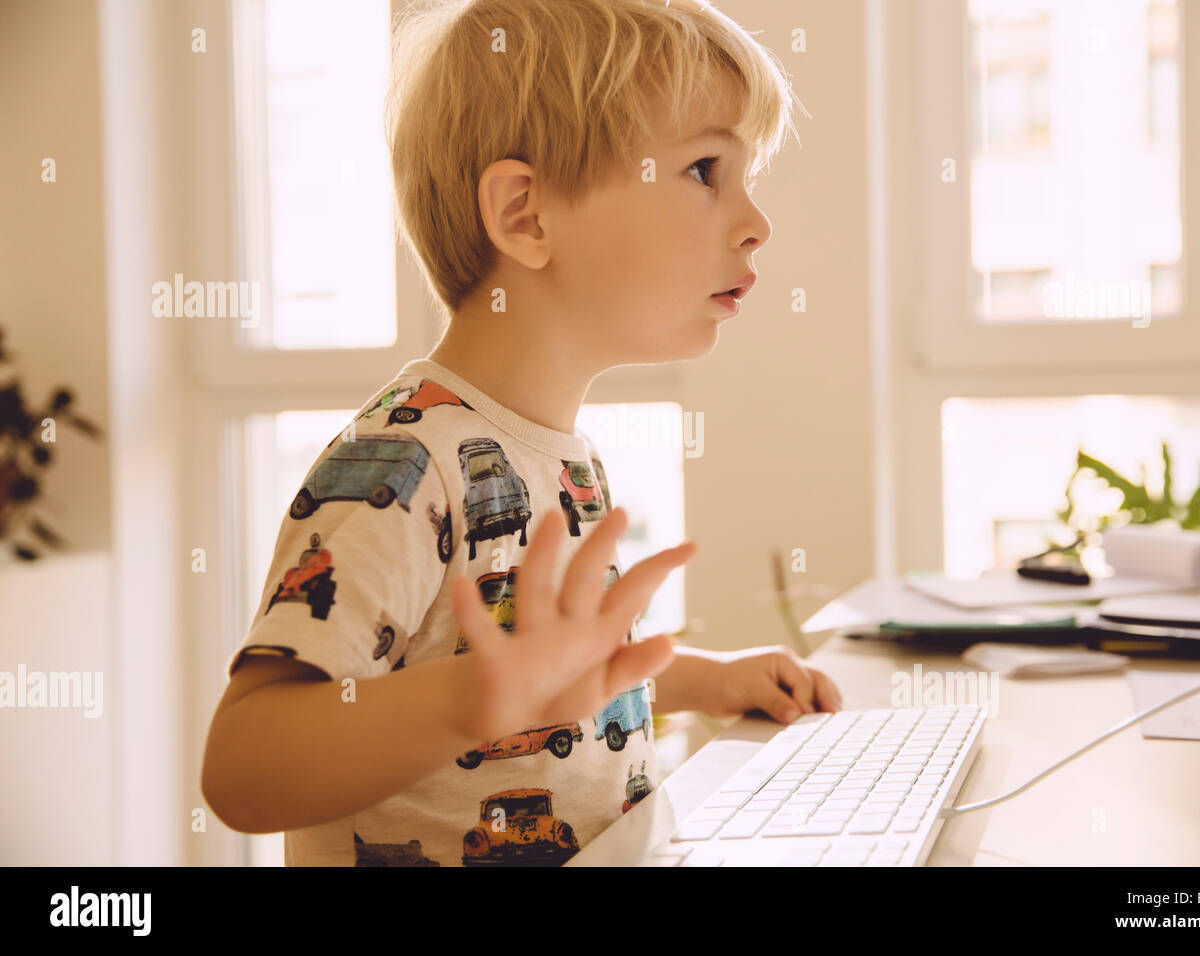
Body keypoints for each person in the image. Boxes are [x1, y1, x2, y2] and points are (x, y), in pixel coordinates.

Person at [201, 0, 839, 867]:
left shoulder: (559, 455)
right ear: (527, 216)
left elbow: (561, 677)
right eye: (704, 169)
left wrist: (702, 676)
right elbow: (245, 766)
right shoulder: (402, 464)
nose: (756, 219)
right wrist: (473, 703)